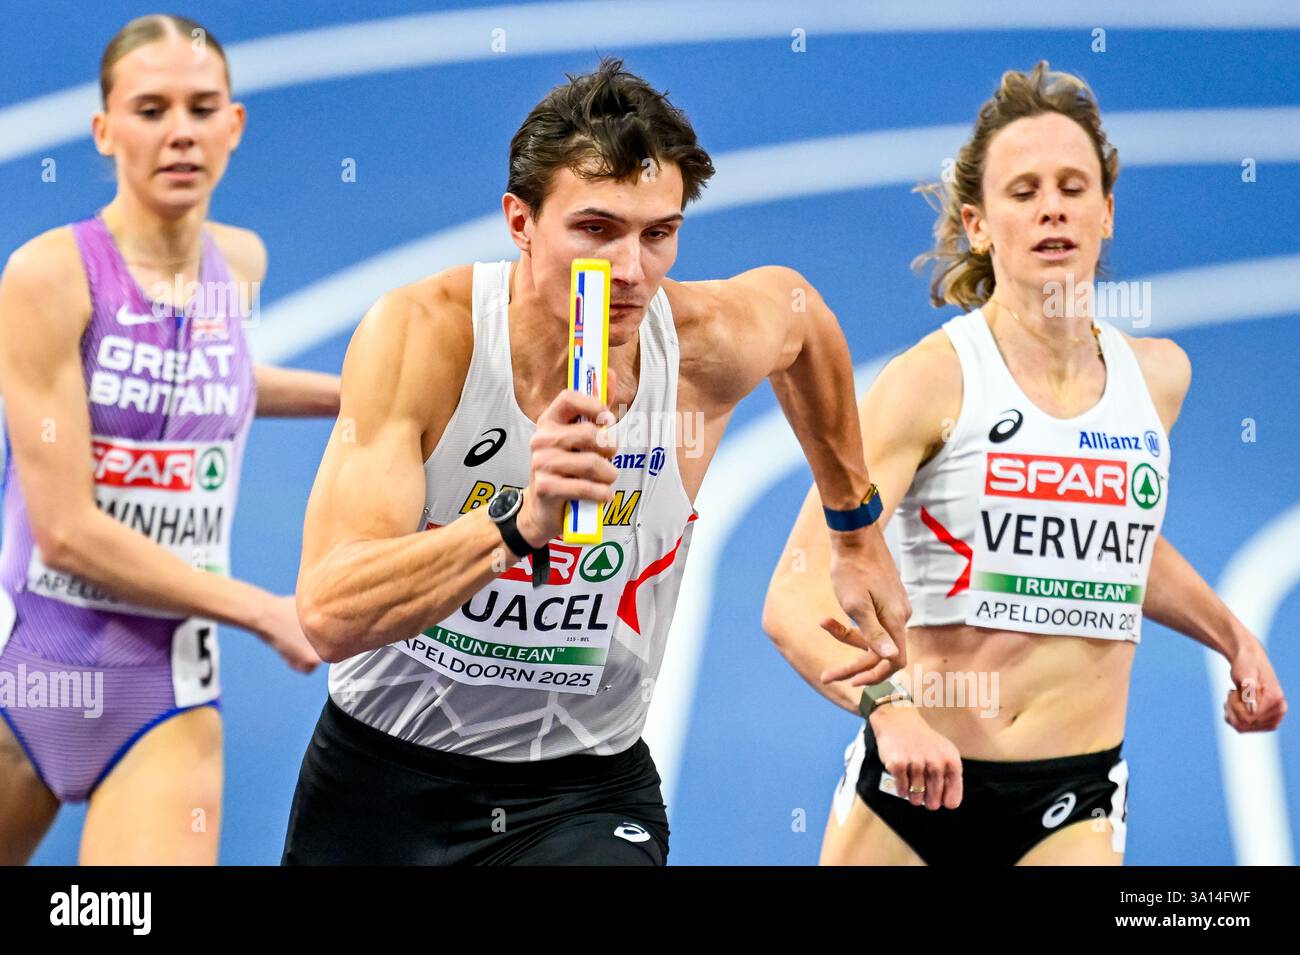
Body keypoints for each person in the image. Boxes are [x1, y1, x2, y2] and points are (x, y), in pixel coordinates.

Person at [280, 57, 910, 865]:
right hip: (382, 782)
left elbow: (802, 320)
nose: (630, 270)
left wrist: (853, 526)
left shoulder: (697, 346)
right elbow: (331, 612)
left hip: (583, 790)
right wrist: (516, 524)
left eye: (659, 233)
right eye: (595, 229)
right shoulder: (426, 338)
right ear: (519, 221)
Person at [762, 61, 1287, 866]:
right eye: (1024, 190)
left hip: (1071, 800)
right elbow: (794, 594)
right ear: (977, 224)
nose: (1052, 207)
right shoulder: (930, 382)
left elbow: (1114, 541)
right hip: (916, 791)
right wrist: (888, 712)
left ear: (1106, 213)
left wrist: (1233, 636)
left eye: (1074, 187)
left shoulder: (1157, 380)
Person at [0, 14, 339, 865]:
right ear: (104, 130)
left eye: (201, 107)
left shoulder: (242, 264)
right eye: (151, 109)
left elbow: (210, 387)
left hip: (165, 687)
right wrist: (263, 610)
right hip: (27, 669)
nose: (179, 132)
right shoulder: (50, 274)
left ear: (235, 125)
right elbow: (68, 533)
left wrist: (361, 397)